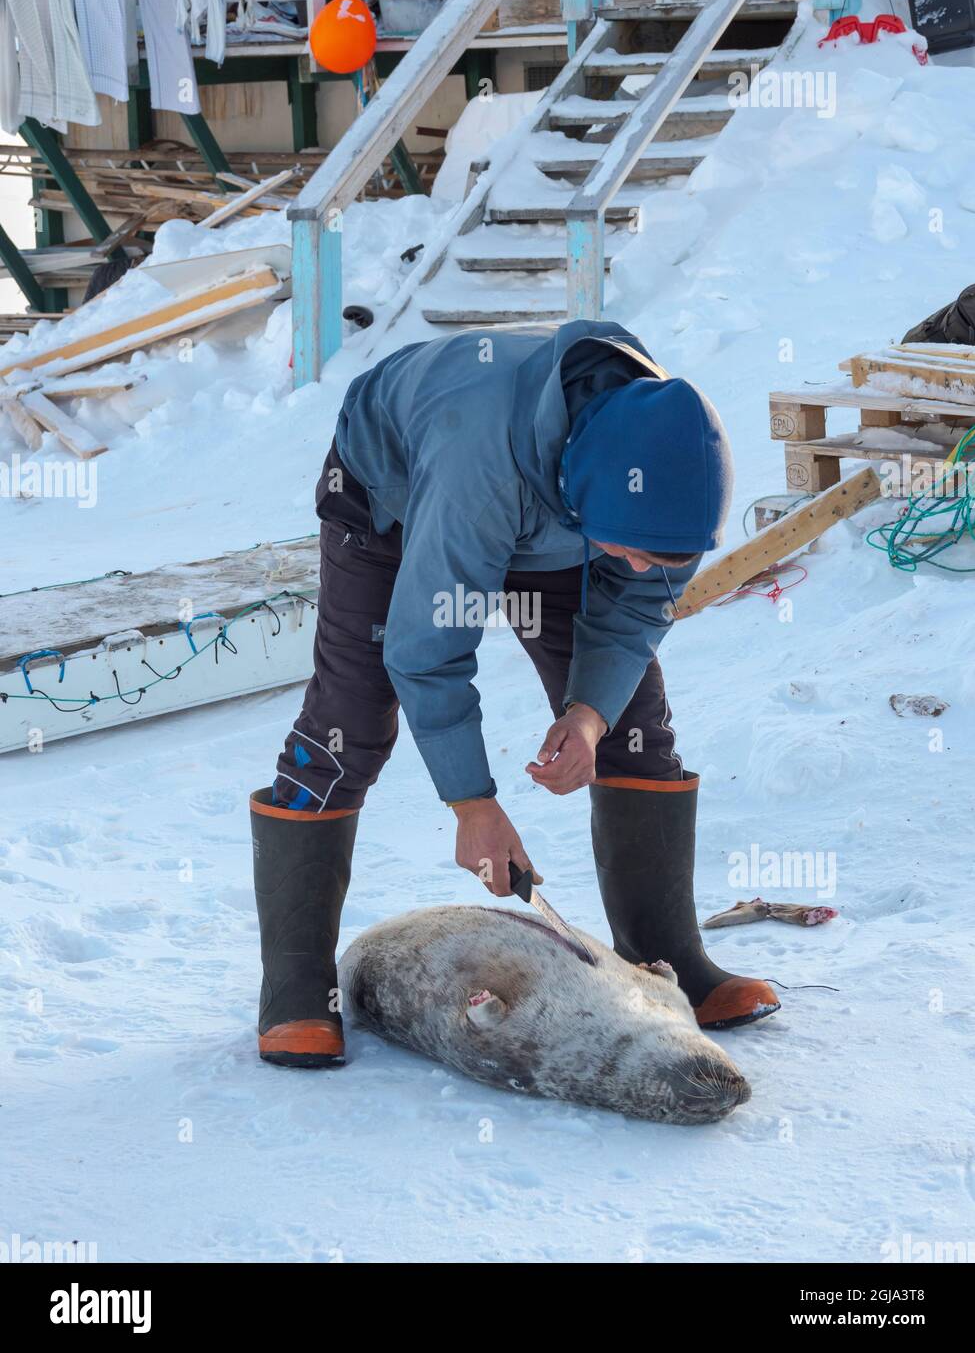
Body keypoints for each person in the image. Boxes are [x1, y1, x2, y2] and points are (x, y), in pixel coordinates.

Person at [249, 319, 780, 1068]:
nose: (639, 567)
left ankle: (667, 965)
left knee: (634, 722)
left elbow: (632, 611)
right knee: (351, 718)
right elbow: (426, 649)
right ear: (585, 496)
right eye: (628, 549)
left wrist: (588, 715)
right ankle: (299, 991)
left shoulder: (670, 486)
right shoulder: (481, 473)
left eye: (656, 556)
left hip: (563, 511)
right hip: (393, 492)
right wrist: (473, 805)